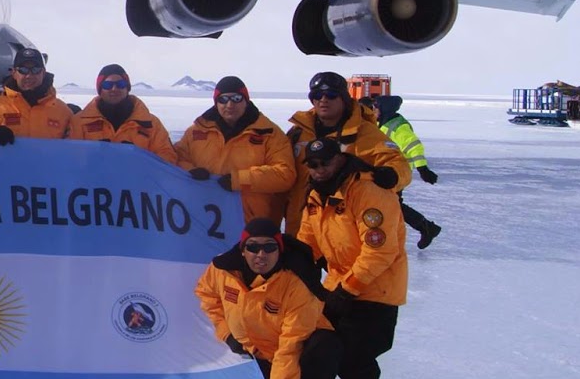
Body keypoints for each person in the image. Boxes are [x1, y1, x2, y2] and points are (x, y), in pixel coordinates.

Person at [194, 218, 341, 379]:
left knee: (325, 346)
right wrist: (226, 332)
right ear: (243, 250)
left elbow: (289, 349)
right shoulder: (222, 271)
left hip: (297, 350)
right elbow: (206, 294)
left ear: (279, 250)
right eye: (252, 247)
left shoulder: (295, 285)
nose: (260, 254)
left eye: (269, 247)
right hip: (257, 353)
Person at [294, 138, 407, 379]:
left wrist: (348, 289)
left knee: (355, 351)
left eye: (325, 163)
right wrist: (293, 271)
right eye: (313, 165)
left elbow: (380, 251)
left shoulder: (369, 192)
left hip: (376, 288)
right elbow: (307, 244)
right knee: (317, 344)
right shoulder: (317, 196)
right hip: (338, 283)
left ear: (341, 160)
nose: (319, 170)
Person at [283, 72, 410, 232]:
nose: (323, 100)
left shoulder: (364, 133)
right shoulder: (298, 132)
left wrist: (392, 175)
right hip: (300, 227)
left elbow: (399, 163)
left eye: (331, 95)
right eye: (317, 95)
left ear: (343, 98)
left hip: (345, 231)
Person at [175, 76, 297, 223]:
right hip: (202, 219)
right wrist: (190, 171)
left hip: (250, 224)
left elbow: (285, 175)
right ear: (216, 103)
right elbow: (176, 159)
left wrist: (240, 180)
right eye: (223, 99)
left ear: (246, 100)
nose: (230, 104)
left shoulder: (269, 133)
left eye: (236, 98)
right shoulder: (196, 131)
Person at [0, 46, 71, 152]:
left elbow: (76, 151)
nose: (29, 75)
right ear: (14, 73)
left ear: (43, 72)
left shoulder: (63, 112)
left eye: (35, 69)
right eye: (23, 70)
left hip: (48, 170)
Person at [68, 63, 176, 163]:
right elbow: (70, 157)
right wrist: (92, 156)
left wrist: (139, 158)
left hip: (136, 182)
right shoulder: (79, 122)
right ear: (100, 89)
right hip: (93, 182)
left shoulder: (151, 124)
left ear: (127, 88)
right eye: (107, 85)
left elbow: (168, 157)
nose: (114, 89)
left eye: (120, 84)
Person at [375, 95, 443, 249]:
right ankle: (426, 227)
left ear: (384, 109)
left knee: (391, 205)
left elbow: (414, 146)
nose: (374, 110)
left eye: (376, 107)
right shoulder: (384, 123)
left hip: (397, 172)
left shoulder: (398, 127)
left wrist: (422, 168)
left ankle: (423, 228)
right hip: (386, 171)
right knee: (392, 204)